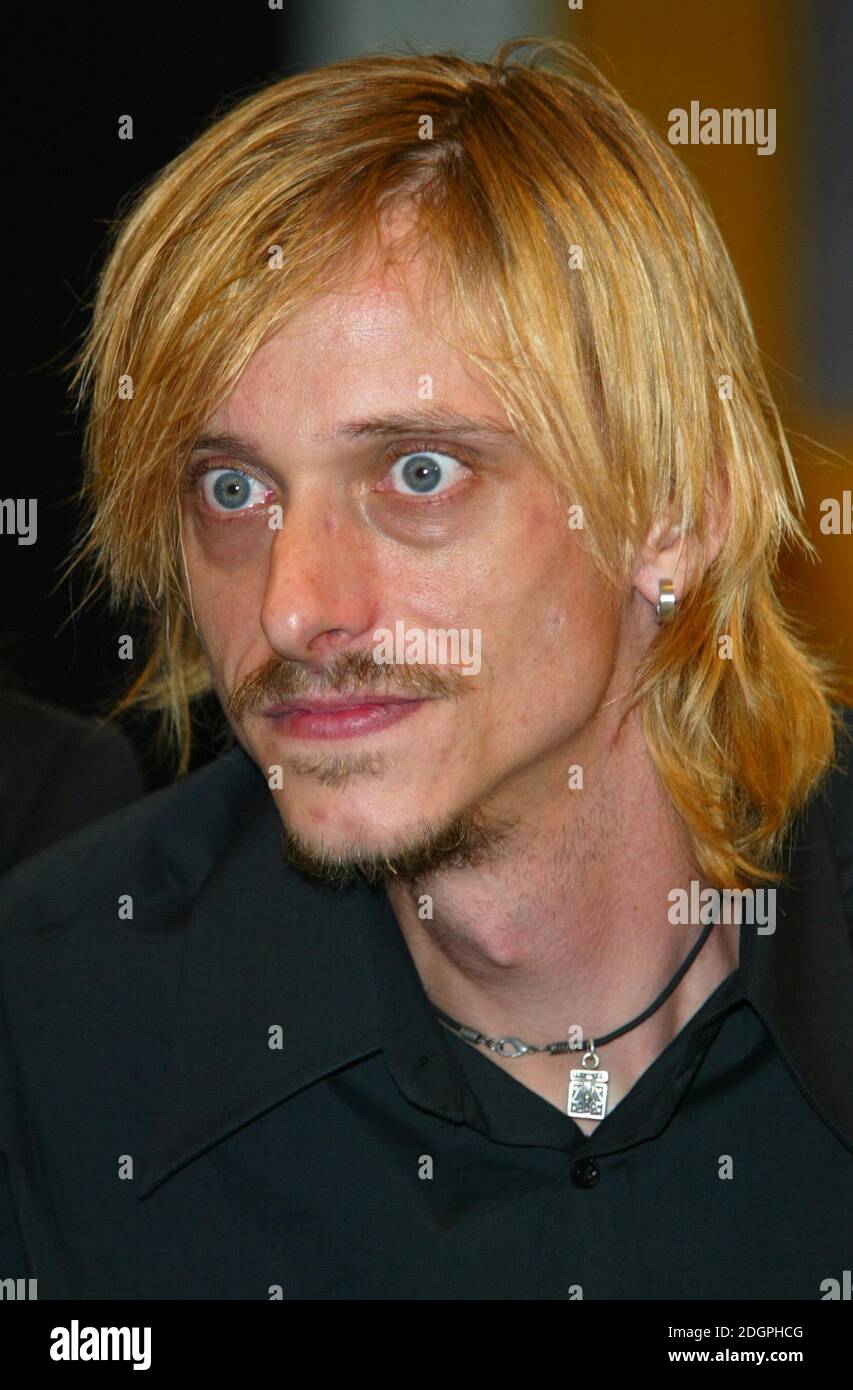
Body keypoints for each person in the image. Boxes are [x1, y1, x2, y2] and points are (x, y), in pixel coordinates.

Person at [0, 37, 851, 1301]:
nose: (294, 609)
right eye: (232, 491)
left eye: (416, 474)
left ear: (675, 513)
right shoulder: (60, 1022)